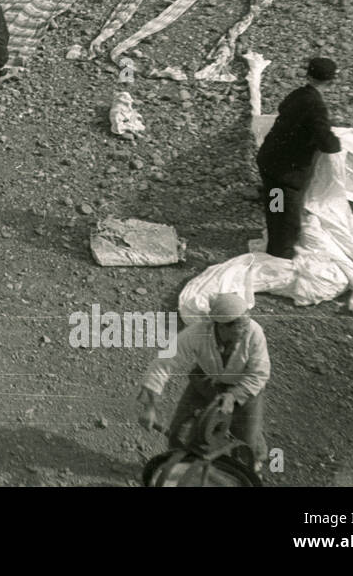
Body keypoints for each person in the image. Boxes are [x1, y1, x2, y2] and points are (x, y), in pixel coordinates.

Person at [138, 292, 270, 475]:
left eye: (246, 324)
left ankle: (253, 463)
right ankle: (181, 465)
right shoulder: (197, 333)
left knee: (247, 438)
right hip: (207, 381)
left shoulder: (254, 332)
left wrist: (233, 395)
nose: (246, 329)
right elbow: (163, 362)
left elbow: (260, 373)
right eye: (240, 327)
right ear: (222, 326)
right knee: (180, 430)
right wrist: (149, 407)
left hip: (245, 386)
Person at [256, 56, 341, 259]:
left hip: (270, 161)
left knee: (275, 205)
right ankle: (279, 257)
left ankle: (274, 239)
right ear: (331, 82)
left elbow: (283, 110)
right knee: (288, 219)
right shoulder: (317, 106)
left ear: (308, 75)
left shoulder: (298, 95)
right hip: (287, 172)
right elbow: (328, 144)